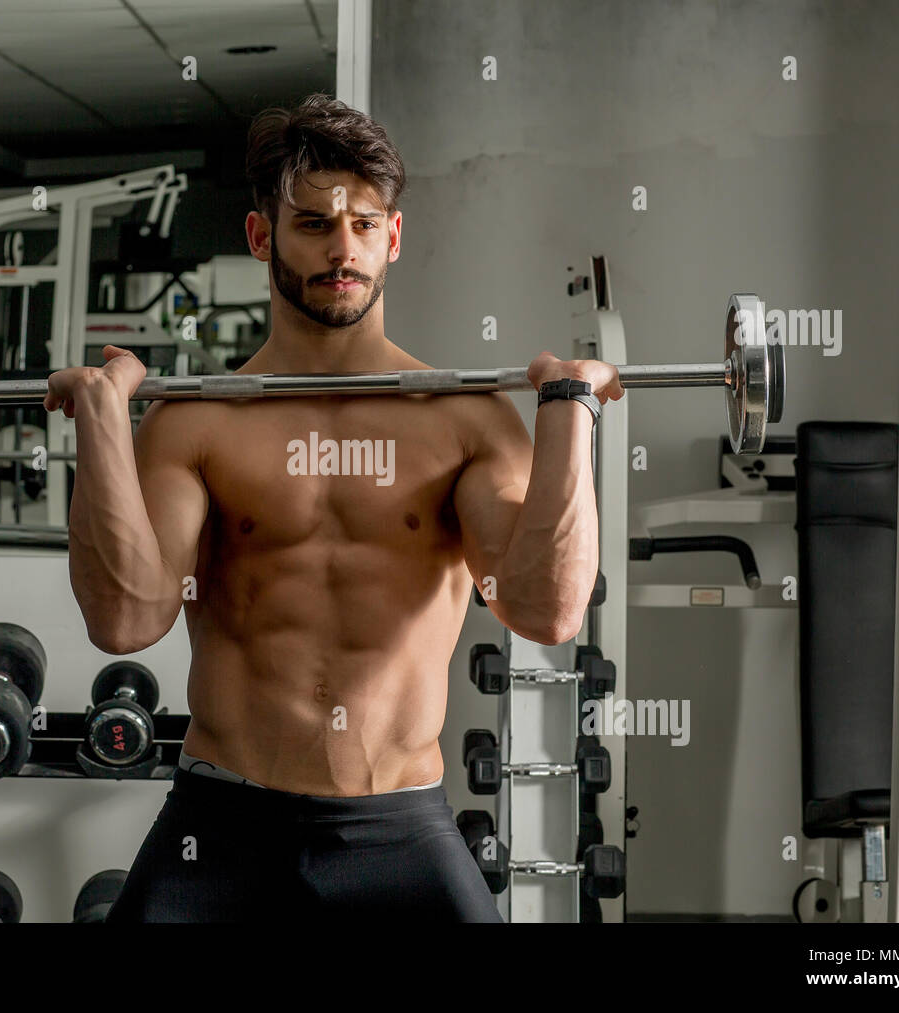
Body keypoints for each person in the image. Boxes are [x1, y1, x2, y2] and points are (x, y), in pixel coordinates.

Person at [44, 93, 623, 922]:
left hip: (401, 828)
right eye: (312, 224)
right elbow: (126, 620)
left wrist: (572, 412)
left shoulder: (464, 422)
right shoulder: (198, 420)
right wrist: (102, 422)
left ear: (392, 237)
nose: (340, 248)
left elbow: (548, 609)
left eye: (361, 224)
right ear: (261, 238)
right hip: (220, 825)